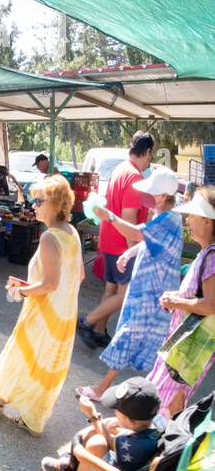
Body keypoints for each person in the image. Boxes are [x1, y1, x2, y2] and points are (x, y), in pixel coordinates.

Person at [0, 175, 82, 433]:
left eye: (39, 201)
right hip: (64, 314)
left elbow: (49, 284)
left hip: (44, 312)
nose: (33, 205)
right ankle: (32, 416)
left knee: (21, 357)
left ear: (55, 204)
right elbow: (77, 275)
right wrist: (27, 285)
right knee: (43, 365)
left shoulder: (50, 237)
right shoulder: (72, 233)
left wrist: (22, 292)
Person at [78, 168, 182, 402]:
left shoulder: (168, 219)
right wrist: (130, 253)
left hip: (152, 294)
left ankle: (101, 389)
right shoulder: (166, 218)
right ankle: (157, 398)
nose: (146, 198)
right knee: (153, 344)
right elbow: (148, 241)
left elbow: (137, 233)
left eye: (152, 194)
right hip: (151, 292)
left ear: (163, 197)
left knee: (130, 336)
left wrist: (110, 217)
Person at [80, 132, 155, 348]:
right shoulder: (134, 178)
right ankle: (87, 322)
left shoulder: (120, 169)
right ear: (147, 151)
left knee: (111, 290)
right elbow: (129, 218)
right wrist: (135, 251)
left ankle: (99, 330)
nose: (150, 160)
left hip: (109, 239)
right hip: (122, 244)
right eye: (151, 154)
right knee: (124, 294)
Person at [150, 186, 215, 419]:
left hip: (187, 352)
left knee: (162, 408)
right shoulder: (206, 253)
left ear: (208, 221)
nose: (187, 220)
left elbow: (210, 306)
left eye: (193, 215)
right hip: (183, 347)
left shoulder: (212, 256)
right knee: (159, 404)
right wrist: (176, 298)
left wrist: (177, 302)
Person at [41, 379, 163, 471]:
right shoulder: (152, 427)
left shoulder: (136, 446)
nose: (115, 412)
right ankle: (71, 466)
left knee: (97, 444)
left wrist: (92, 415)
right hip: (124, 458)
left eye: (117, 410)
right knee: (98, 429)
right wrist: (113, 426)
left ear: (131, 422)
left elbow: (109, 442)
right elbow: (116, 439)